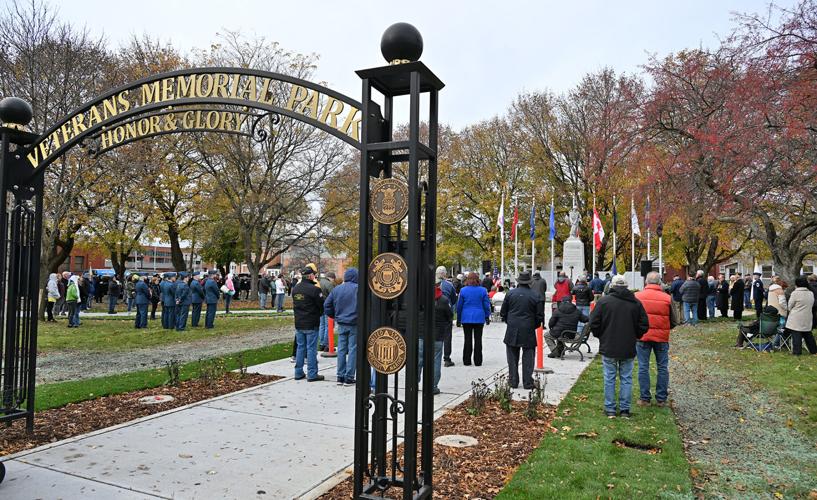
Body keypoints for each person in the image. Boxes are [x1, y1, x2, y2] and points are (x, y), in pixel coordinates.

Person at [589, 274, 649, 418]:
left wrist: (601, 336)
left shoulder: (604, 302)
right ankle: (624, 410)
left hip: (609, 345)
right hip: (627, 345)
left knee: (610, 378)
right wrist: (635, 336)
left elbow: (593, 323)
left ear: (612, 286)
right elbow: (644, 325)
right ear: (626, 286)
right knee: (626, 378)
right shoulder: (635, 303)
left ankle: (610, 409)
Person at [635, 272, 679, 408]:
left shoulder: (637, 296)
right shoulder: (667, 298)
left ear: (646, 282)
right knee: (662, 367)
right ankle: (661, 399)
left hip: (642, 336)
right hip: (661, 337)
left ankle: (645, 398)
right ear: (659, 282)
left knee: (643, 366)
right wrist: (665, 327)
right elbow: (674, 319)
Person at [500, 271, 544, 389]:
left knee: (512, 357)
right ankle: (527, 382)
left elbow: (503, 312)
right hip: (528, 327)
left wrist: (509, 321)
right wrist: (532, 325)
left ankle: (513, 381)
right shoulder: (536, 295)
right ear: (529, 282)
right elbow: (539, 316)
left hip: (513, 327)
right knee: (528, 357)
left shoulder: (510, 294)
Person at [324, 268, 358, 386]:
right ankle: (349, 377)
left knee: (342, 350)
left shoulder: (337, 289)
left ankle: (340, 375)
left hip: (342, 322)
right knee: (353, 349)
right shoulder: (358, 289)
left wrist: (334, 316)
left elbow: (327, 305)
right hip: (355, 323)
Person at [292, 266, 325, 382]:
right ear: (311, 276)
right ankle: (312, 374)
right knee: (311, 349)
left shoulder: (295, 289)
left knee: (300, 348)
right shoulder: (315, 289)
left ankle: (298, 372)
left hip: (299, 323)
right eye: (314, 275)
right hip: (311, 323)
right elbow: (321, 306)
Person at [419, 283, 452, 395]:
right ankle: (433, 386)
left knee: (418, 359)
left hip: (421, 333)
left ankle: (414, 382)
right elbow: (449, 316)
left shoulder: (421, 299)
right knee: (435, 361)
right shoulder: (443, 300)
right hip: (437, 335)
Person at [456, 271, 491, 366]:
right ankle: (478, 361)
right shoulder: (483, 290)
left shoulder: (463, 290)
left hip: (466, 317)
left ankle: (467, 360)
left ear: (467, 280)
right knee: (478, 339)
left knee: (467, 339)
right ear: (477, 280)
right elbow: (486, 305)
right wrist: (487, 316)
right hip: (479, 317)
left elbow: (459, 306)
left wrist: (458, 319)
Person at [786, 276, 816, 355]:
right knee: (808, 334)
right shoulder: (810, 293)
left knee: (796, 334)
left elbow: (789, 306)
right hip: (807, 316)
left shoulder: (795, 293)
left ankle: (797, 352)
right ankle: (813, 350)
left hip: (796, 317)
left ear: (796, 284)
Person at [436, 266, 457, 367]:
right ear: (444, 274)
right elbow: (453, 299)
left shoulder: (431, 283)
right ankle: (447, 358)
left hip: (434, 311)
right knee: (447, 336)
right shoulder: (449, 285)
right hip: (446, 311)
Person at [318, 270, 336, 351]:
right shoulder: (329, 284)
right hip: (327, 307)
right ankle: (326, 344)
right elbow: (334, 296)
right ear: (331, 278)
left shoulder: (319, 282)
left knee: (322, 325)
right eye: (333, 279)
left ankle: (321, 343)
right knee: (328, 326)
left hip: (319, 306)